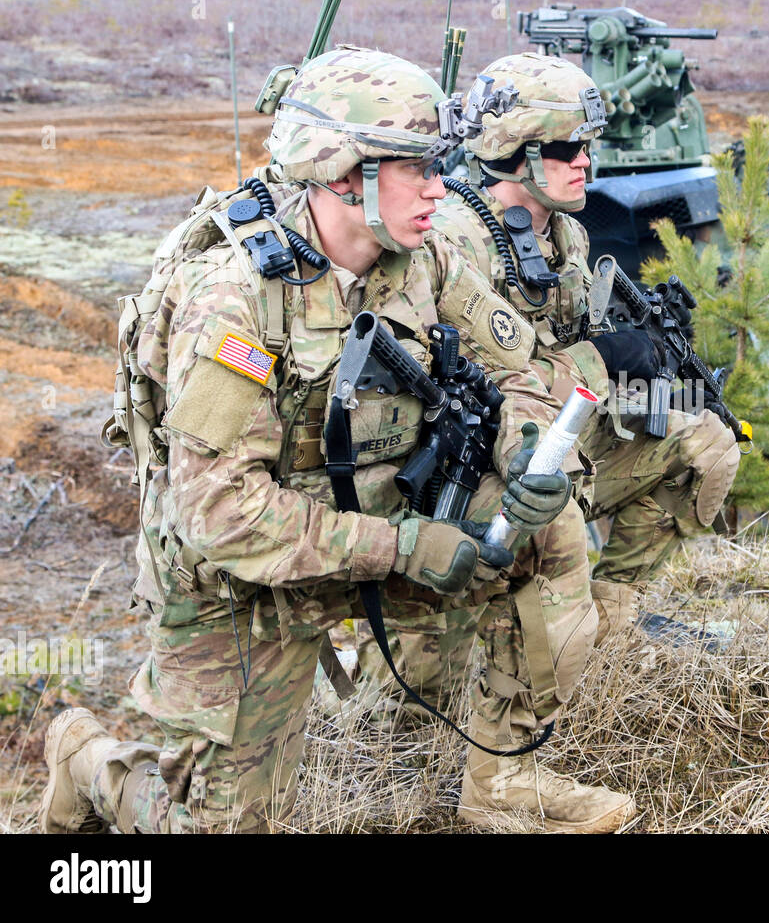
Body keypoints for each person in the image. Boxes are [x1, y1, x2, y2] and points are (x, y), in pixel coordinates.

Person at [38, 46, 632, 834]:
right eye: (415, 168)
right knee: (204, 825)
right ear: (344, 174)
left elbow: (520, 365)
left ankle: (503, 784)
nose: (436, 188)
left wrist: (524, 447)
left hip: (375, 518)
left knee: (541, 531)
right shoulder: (235, 298)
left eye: (438, 166)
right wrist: (403, 547)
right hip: (243, 584)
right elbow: (220, 516)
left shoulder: (425, 255)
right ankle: (86, 758)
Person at [431, 52, 742, 646]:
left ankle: (610, 622)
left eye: (587, 148)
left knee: (707, 443)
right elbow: (481, 390)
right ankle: (542, 637)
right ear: (518, 151)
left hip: (567, 438)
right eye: (564, 150)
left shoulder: (564, 228)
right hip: (487, 464)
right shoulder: (455, 241)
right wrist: (607, 358)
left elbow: (570, 343)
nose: (584, 164)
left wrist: (639, 350)